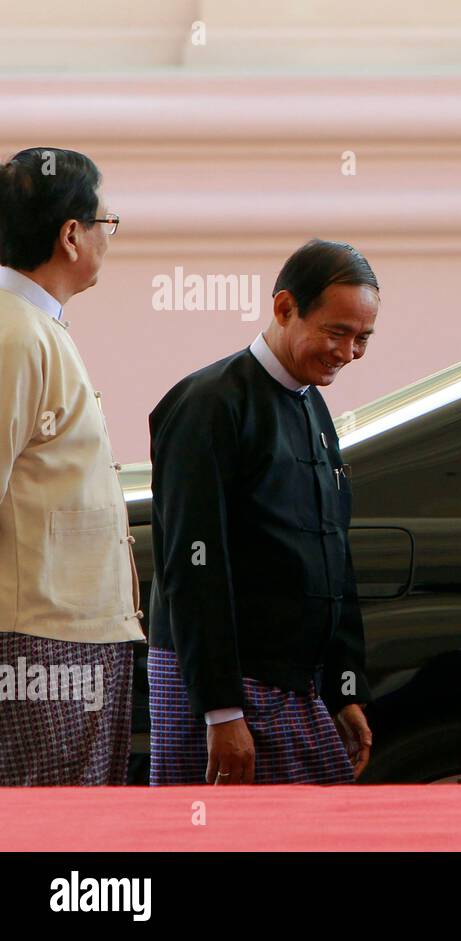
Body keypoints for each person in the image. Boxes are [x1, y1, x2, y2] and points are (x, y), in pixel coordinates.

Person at [148, 239, 378, 785]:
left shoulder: (311, 401)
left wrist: (344, 690)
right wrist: (221, 712)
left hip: (293, 687)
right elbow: (193, 566)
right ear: (283, 308)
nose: (347, 353)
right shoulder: (207, 403)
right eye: (336, 332)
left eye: (362, 338)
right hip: (221, 693)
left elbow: (332, 550)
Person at [0, 147, 142, 786]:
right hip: (40, 638)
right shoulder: (15, 336)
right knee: (50, 825)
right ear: (71, 235)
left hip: (64, 634)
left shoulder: (33, 327)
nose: (108, 239)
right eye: (106, 224)